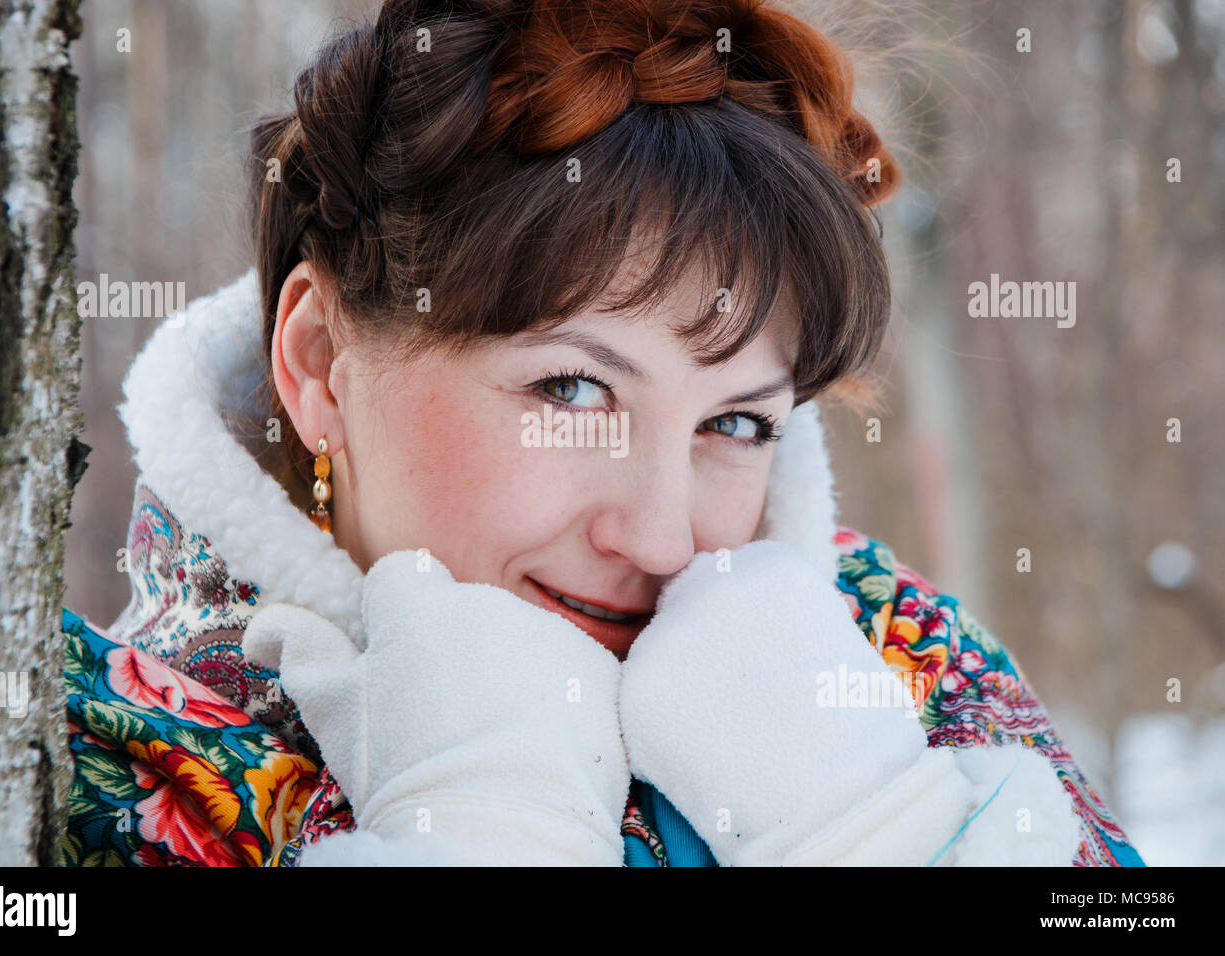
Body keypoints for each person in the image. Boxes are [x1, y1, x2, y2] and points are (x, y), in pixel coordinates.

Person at [61, 0, 1145, 866]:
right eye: (573, 391)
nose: (664, 538)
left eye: (734, 419)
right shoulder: (94, 761)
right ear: (316, 363)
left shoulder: (880, 646)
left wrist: (884, 832)